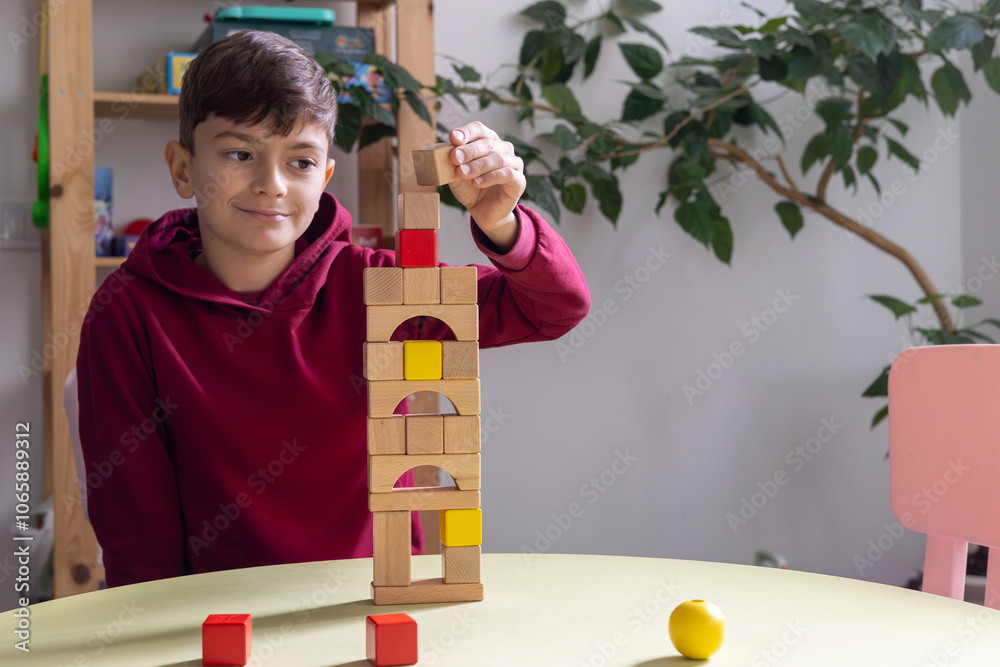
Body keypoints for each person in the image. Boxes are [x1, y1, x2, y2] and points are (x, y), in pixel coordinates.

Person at [77, 30, 590, 588]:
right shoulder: (126, 313)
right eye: (239, 153)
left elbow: (554, 308)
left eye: (299, 162)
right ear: (182, 167)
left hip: (375, 600)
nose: (271, 184)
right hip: (220, 615)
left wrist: (501, 222)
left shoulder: (379, 285)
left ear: (323, 179)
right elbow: (138, 536)